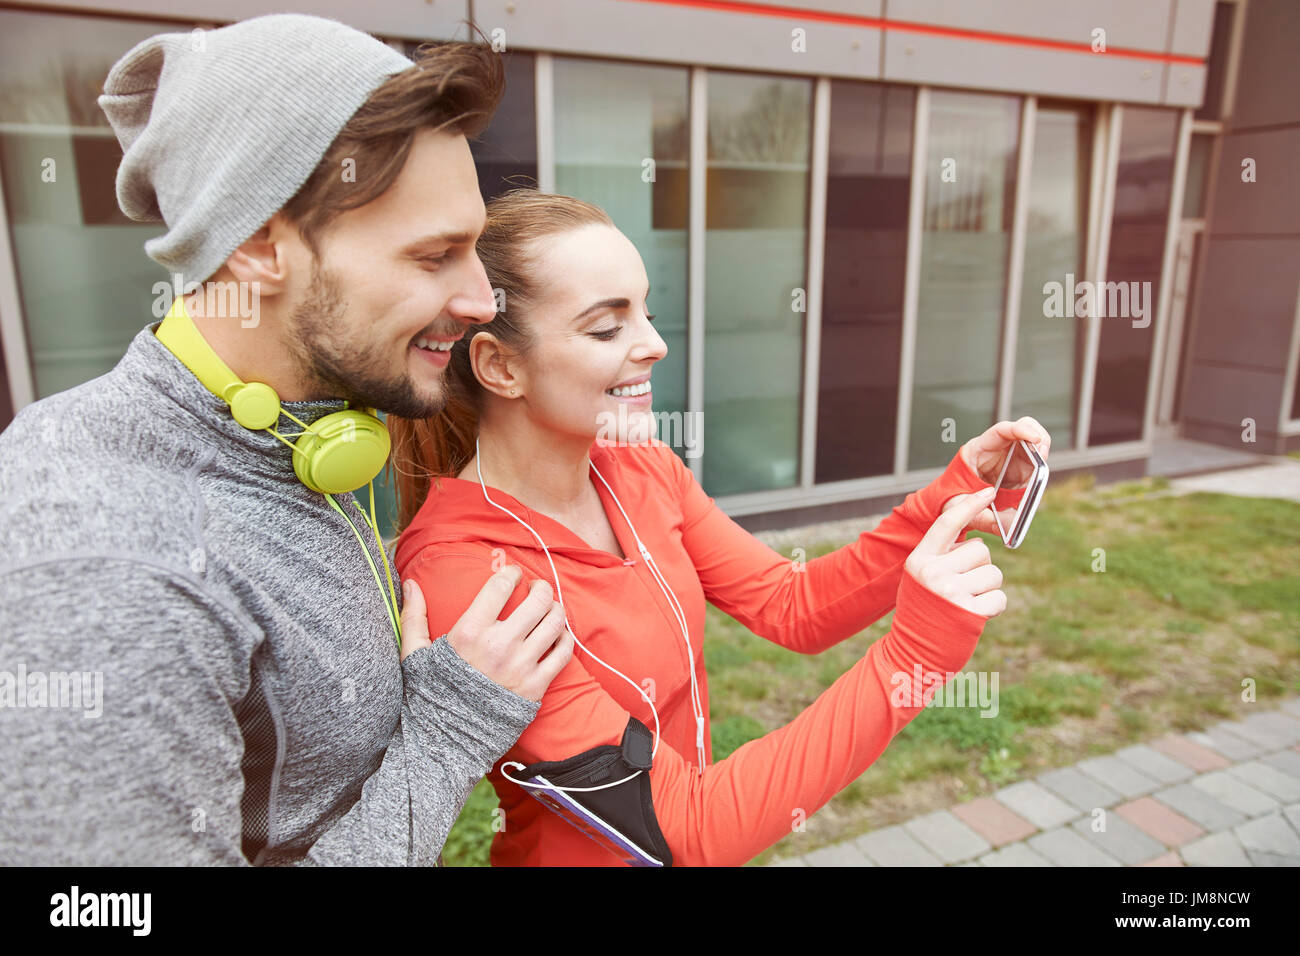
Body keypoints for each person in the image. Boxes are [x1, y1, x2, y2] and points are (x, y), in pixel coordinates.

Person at [0, 16, 571, 866]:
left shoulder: (297, 424)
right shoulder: (113, 574)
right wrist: (447, 730)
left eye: (475, 249)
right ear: (261, 246)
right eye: (433, 256)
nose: (483, 299)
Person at [389, 188, 1051, 866]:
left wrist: (957, 490)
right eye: (606, 327)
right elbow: (687, 828)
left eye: (648, 311)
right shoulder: (463, 572)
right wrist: (914, 658)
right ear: (501, 366)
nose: (655, 345)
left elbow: (793, 604)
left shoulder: (642, 467)